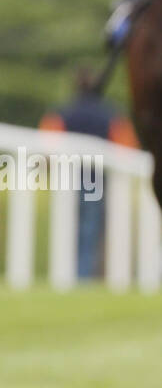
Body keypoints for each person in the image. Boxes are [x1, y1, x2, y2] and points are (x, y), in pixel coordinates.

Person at [38, 68, 138, 280]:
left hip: (66, 179)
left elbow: (46, 149)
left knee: (67, 228)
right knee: (89, 230)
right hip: (96, 180)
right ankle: (82, 277)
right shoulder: (111, 115)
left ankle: (68, 275)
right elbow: (127, 150)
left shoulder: (61, 113)